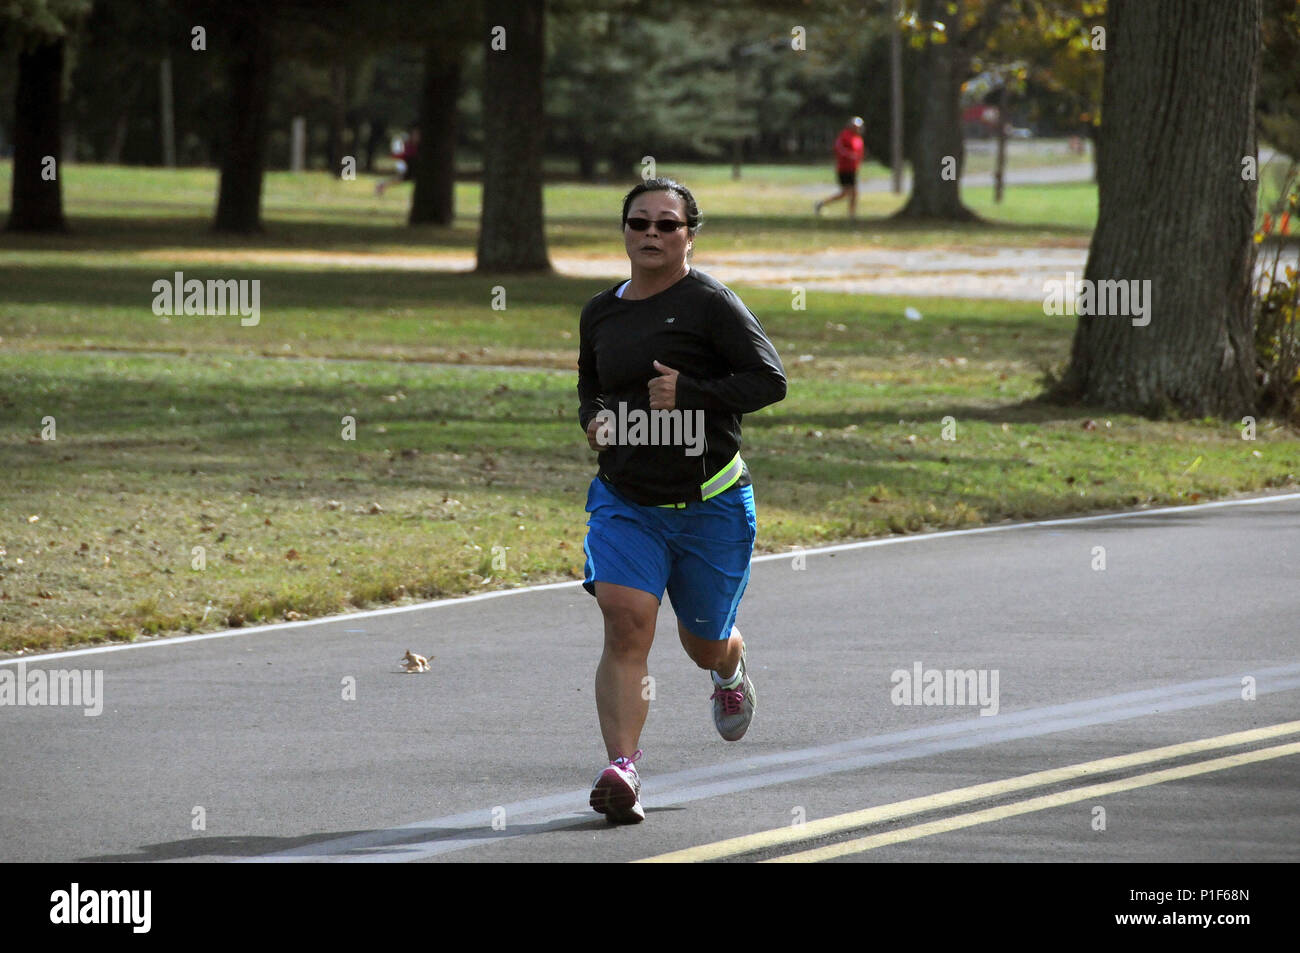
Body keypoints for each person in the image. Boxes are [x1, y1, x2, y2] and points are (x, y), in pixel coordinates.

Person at [576, 177, 787, 824]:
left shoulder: (710, 304)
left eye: (668, 224)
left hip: (710, 504)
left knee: (703, 642)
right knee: (625, 620)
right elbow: (591, 385)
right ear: (624, 230)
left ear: (690, 234)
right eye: (639, 222)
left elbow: (767, 381)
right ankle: (623, 767)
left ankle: (729, 667)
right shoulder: (600, 312)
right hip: (627, 499)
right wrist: (593, 421)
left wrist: (690, 392)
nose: (651, 234)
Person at [814, 116, 866, 219]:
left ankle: (852, 214)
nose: (857, 128)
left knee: (853, 193)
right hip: (844, 169)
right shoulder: (845, 136)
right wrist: (850, 156)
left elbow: (860, 154)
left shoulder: (858, 139)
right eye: (855, 126)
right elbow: (839, 148)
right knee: (846, 192)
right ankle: (821, 203)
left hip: (853, 169)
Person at [375, 128, 420, 196]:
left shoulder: (417, 145)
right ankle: (381, 185)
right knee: (401, 179)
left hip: (414, 165)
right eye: (416, 134)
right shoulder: (408, 145)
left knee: (402, 179)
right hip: (410, 165)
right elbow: (402, 155)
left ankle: (381, 185)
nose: (417, 137)